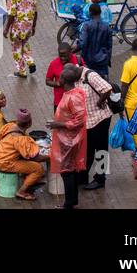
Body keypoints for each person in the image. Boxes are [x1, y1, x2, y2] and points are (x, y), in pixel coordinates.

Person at [47, 64, 87, 208]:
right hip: (65, 138)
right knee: (69, 170)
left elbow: (80, 120)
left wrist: (59, 125)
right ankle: (72, 200)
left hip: (70, 140)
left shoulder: (74, 97)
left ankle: (69, 203)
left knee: (67, 172)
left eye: (60, 77)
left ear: (64, 80)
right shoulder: (71, 94)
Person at [0, 109, 49, 201]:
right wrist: (49, 156)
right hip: (5, 163)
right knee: (38, 169)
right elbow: (35, 158)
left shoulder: (10, 126)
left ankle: (29, 180)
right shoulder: (20, 138)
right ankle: (21, 192)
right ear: (29, 123)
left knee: (27, 161)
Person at [80, 66, 115, 190]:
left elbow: (107, 88)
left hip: (101, 119)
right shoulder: (76, 79)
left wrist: (100, 102)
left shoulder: (90, 75)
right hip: (90, 121)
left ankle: (100, 179)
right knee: (92, 149)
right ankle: (85, 177)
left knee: (99, 149)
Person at [4, 0, 38, 77]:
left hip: (18, 26)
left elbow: (11, 14)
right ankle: (30, 61)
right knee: (25, 43)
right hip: (29, 25)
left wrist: (6, 29)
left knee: (16, 47)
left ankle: (22, 71)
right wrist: (34, 26)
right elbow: (36, 11)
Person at [77, 3, 113, 81]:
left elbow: (82, 43)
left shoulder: (86, 26)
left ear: (90, 13)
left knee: (89, 82)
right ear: (100, 12)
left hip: (88, 60)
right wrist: (107, 60)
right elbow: (109, 46)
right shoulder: (107, 27)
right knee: (103, 83)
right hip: (102, 61)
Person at [45, 42, 84, 109]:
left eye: (65, 56)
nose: (63, 58)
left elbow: (84, 74)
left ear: (70, 52)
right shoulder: (53, 64)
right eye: (60, 56)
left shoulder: (78, 60)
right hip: (60, 102)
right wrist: (58, 83)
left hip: (77, 101)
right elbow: (48, 81)